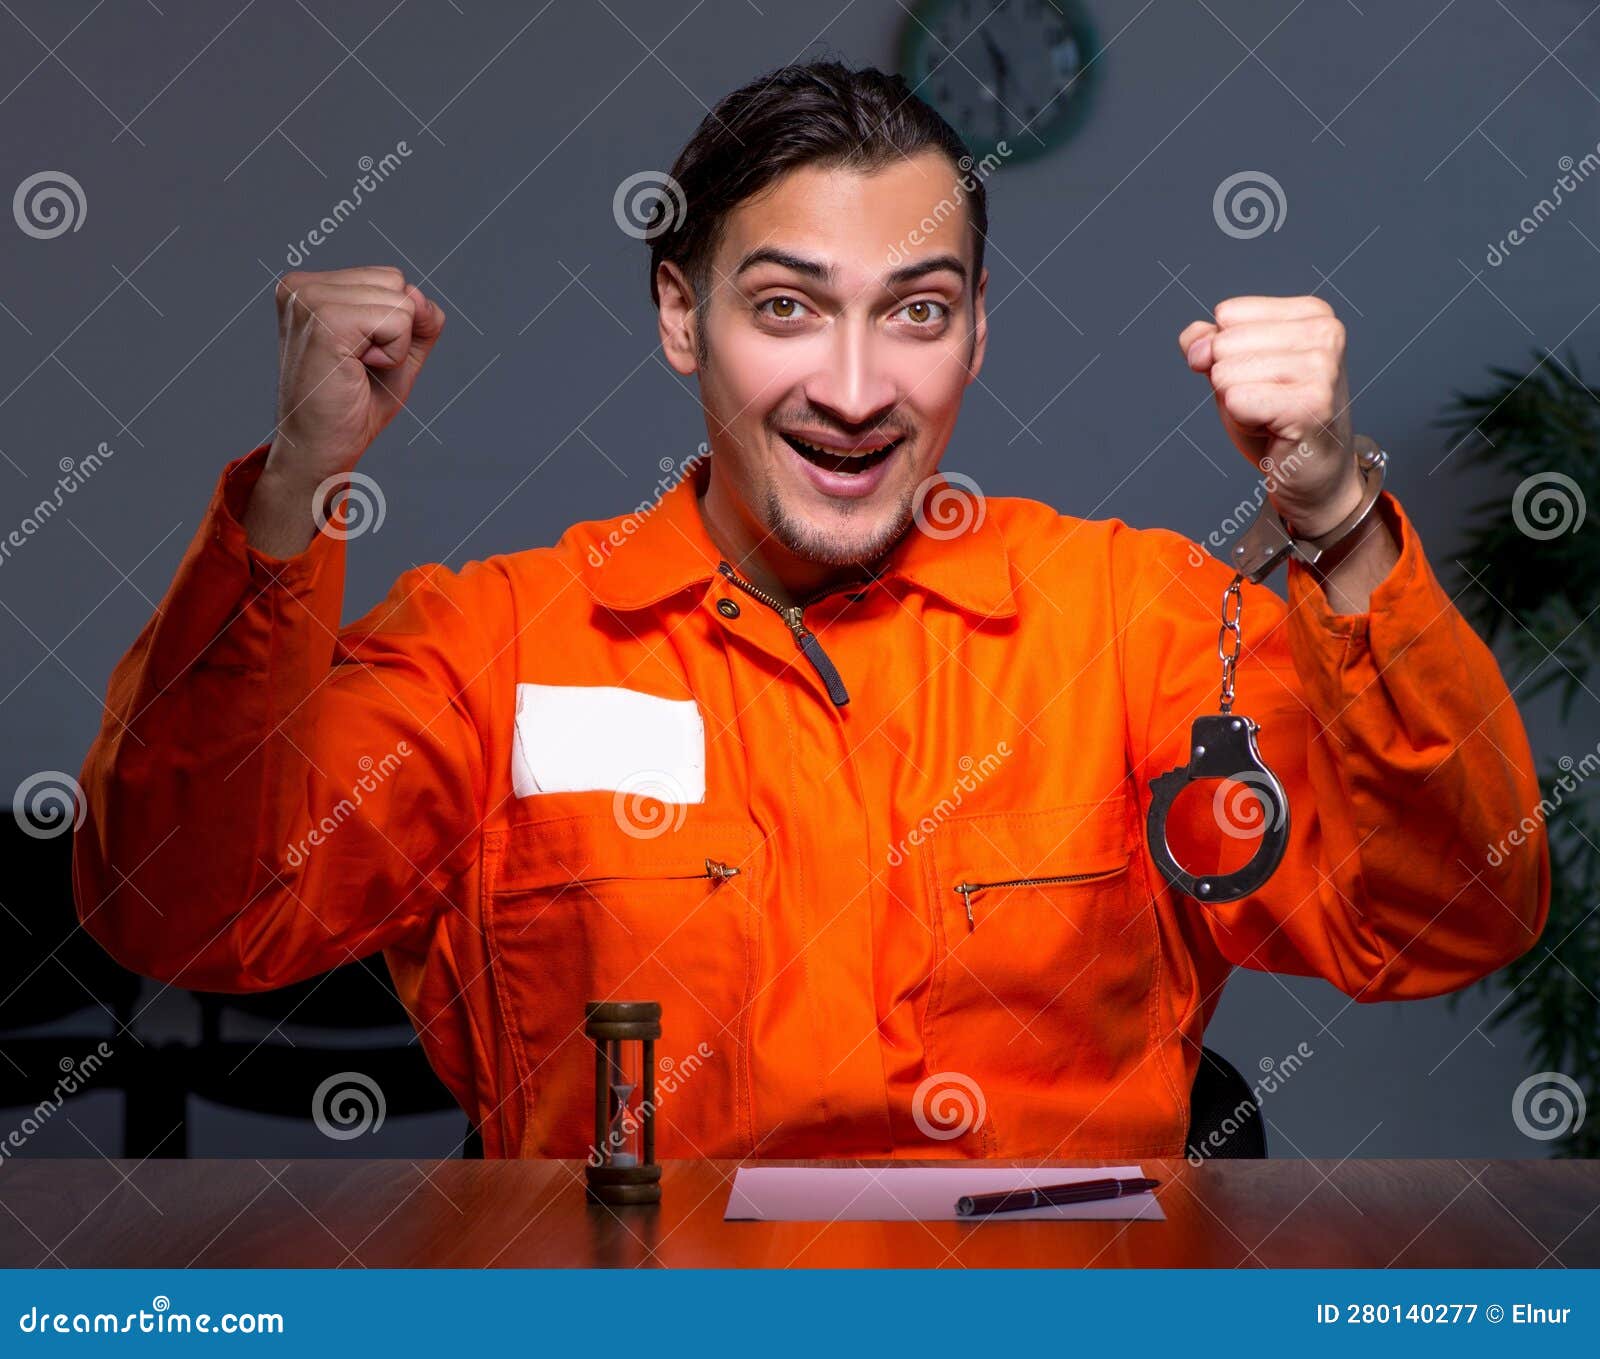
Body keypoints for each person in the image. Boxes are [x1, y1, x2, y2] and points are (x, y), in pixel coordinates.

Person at [73, 62, 1548, 1160]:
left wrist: (1338, 517)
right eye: (786, 306)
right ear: (680, 316)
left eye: (916, 311)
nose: (852, 390)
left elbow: (1451, 914)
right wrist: (297, 488)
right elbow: (178, 909)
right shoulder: (497, 648)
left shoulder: (1134, 623)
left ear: (977, 330)